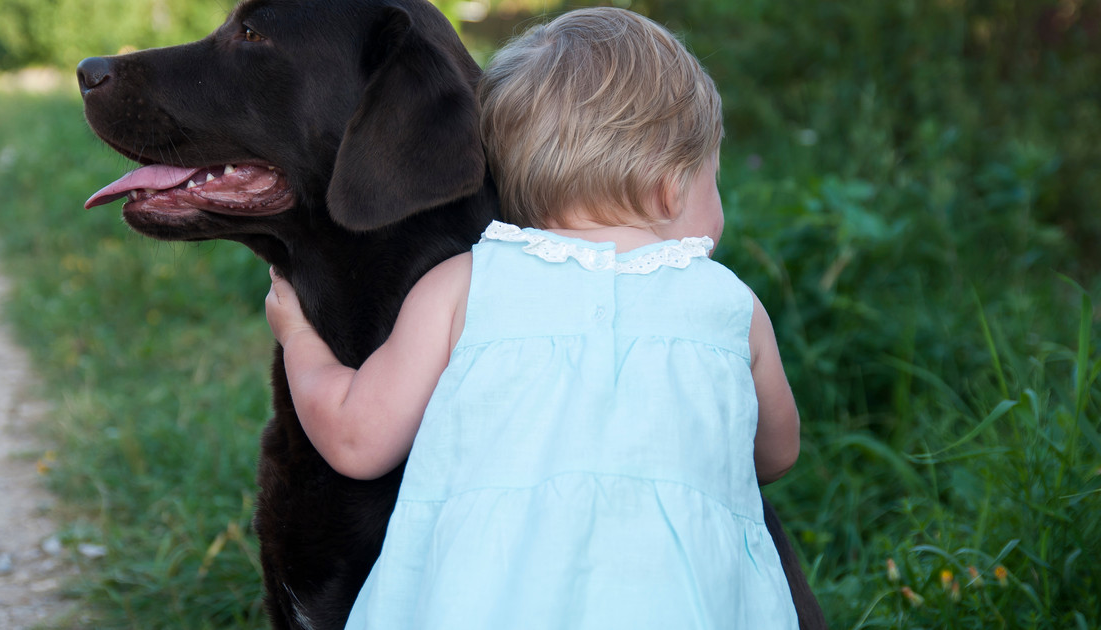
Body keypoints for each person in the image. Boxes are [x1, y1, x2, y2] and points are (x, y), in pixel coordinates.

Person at [265, 7, 800, 628]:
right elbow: (776, 451)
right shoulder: (731, 306)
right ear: (670, 186)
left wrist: (300, 336)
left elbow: (356, 439)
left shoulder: (464, 287)